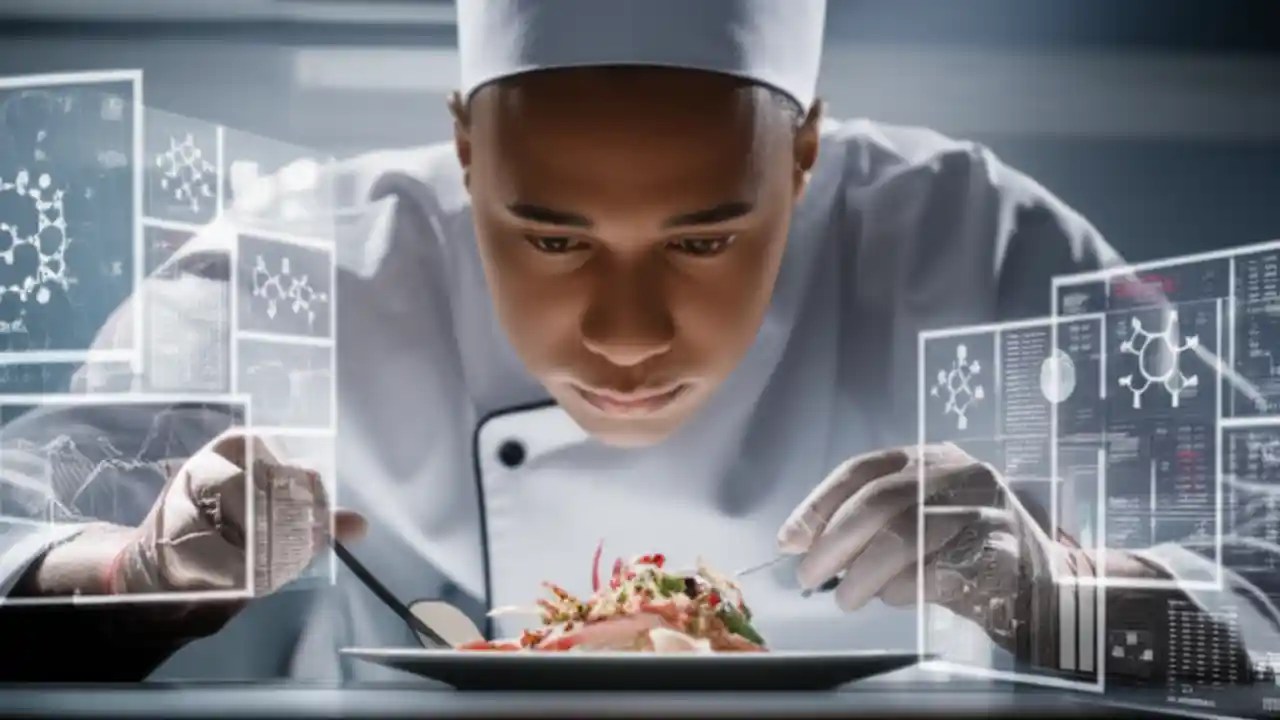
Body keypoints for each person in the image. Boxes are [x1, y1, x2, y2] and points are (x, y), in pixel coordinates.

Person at [0, 0, 1274, 689]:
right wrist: (134, 568)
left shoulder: (974, 240)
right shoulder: (303, 264)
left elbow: (1264, 579)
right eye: (550, 241)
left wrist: (1055, 589)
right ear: (460, 149)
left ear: (806, 153)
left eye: (705, 242)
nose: (623, 337)